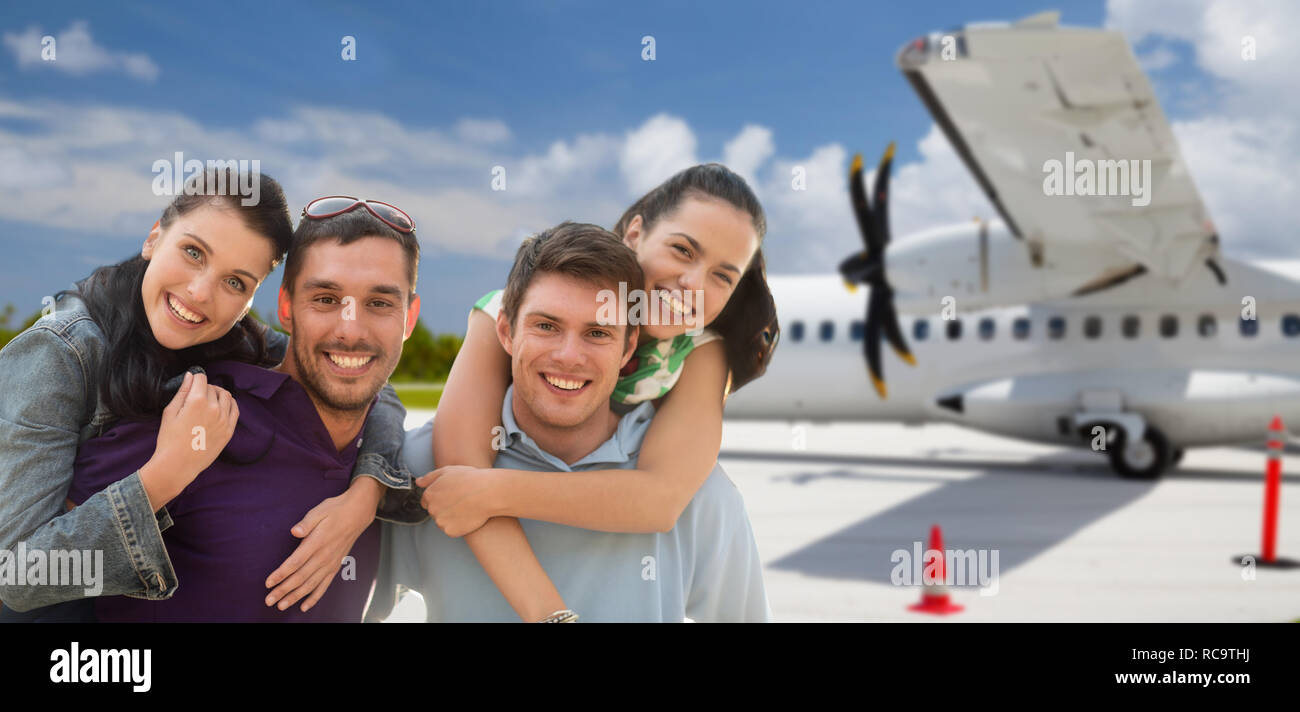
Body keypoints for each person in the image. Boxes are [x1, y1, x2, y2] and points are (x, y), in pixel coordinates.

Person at [0, 174, 413, 622]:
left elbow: (363, 380)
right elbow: (17, 576)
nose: (200, 293)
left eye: (235, 282)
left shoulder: (230, 333)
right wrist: (167, 473)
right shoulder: (63, 352)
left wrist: (365, 494)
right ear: (155, 236)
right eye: (192, 252)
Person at [414, 163, 779, 622]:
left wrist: (497, 490)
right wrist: (551, 614)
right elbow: (460, 472)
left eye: (722, 276)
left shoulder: (700, 351)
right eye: (683, 250)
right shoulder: (516, 309)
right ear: (635, 234)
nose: (693, 284)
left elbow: (659, 501)